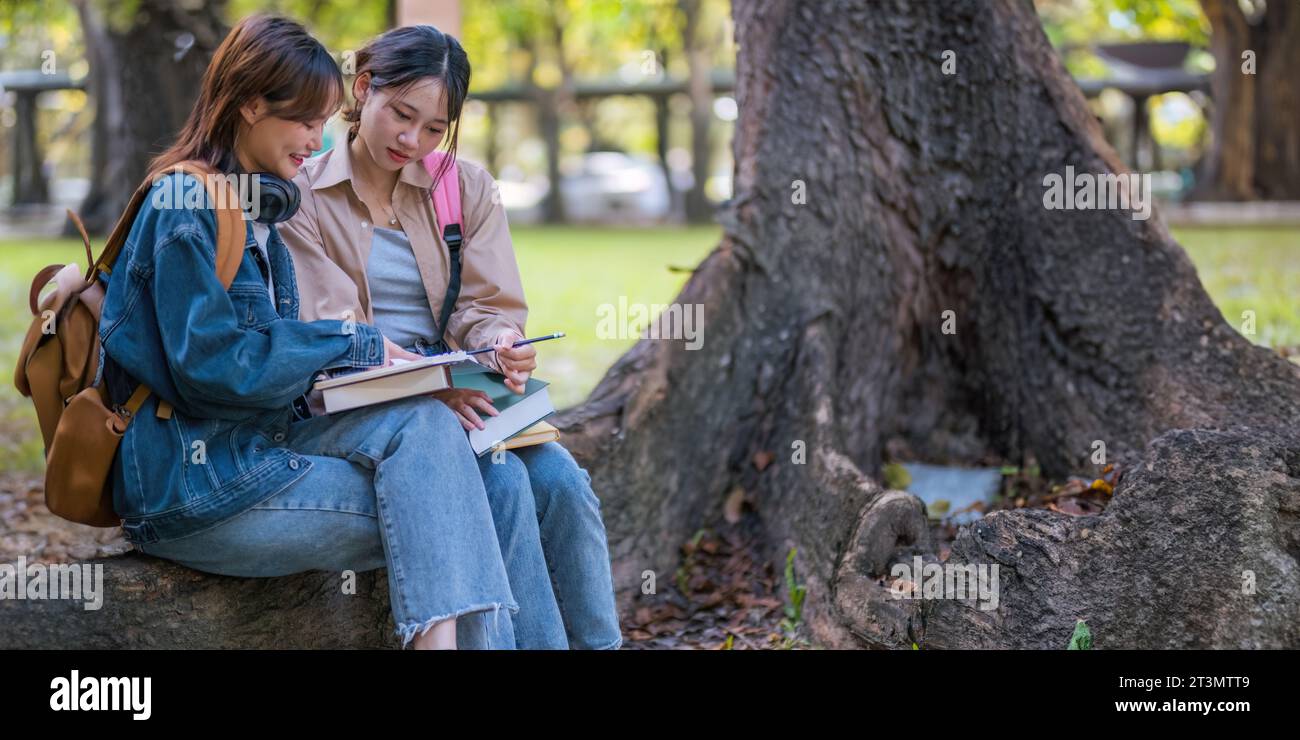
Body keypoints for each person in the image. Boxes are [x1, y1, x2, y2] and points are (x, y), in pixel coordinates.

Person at [101, 15, 525, 650]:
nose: (317, 137)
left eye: (323, 118)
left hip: (258, 450)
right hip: (196, 487)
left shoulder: (258, 201)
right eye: (304, 120)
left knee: (446, 440)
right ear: (248, 104)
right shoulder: (185, 205)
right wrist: (354, 344)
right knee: (473, 497)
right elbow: (216, 366)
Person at [280, 25, 621, 649]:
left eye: (434, 128)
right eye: (401, 115)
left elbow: (486, 306)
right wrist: (430, 389)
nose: (412, 141)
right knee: (505, 482)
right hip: (364, 402)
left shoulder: (462, 188)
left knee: (564, 484)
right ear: (364, 91)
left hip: (460, 395)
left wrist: (499, 344)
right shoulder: (303, 196)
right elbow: (332, 336)